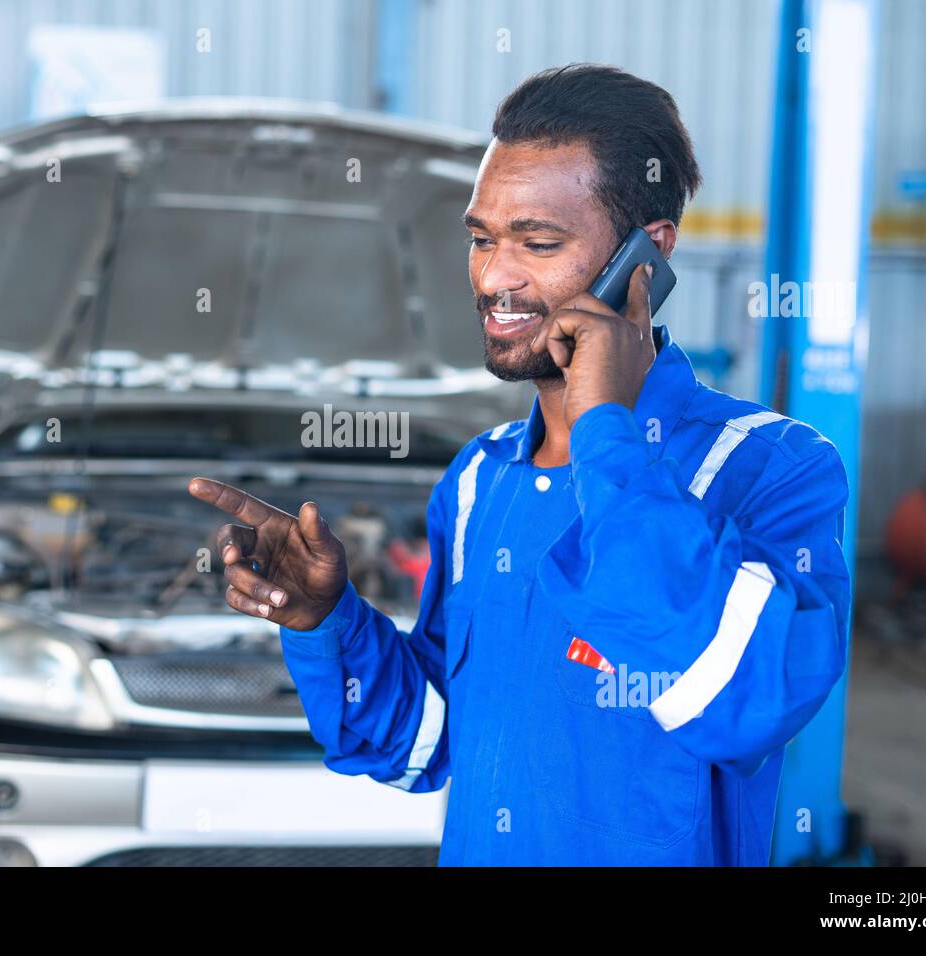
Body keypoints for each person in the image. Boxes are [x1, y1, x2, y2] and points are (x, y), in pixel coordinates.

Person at [188, 64, 851, 865]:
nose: (495, 277)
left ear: (646, 260)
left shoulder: (772, 469)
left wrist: (605, 424)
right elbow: (427, 742)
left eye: (537, 242)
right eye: (480, 239)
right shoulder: (478, 480)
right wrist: (329, 624)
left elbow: (743, 702)